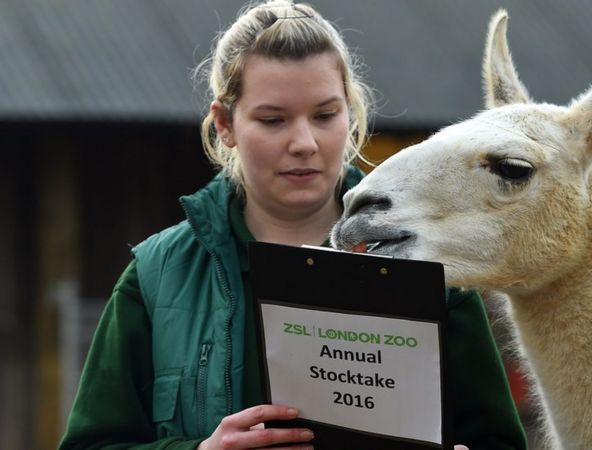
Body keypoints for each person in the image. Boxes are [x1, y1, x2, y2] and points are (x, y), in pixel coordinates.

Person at [59, 1, 527, 449]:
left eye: (325, 115)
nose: (304, 142)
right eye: (273, 119)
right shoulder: (156, 277)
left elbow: (498, 441)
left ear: (351, 112)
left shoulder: (429, 266)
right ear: (225, 123)